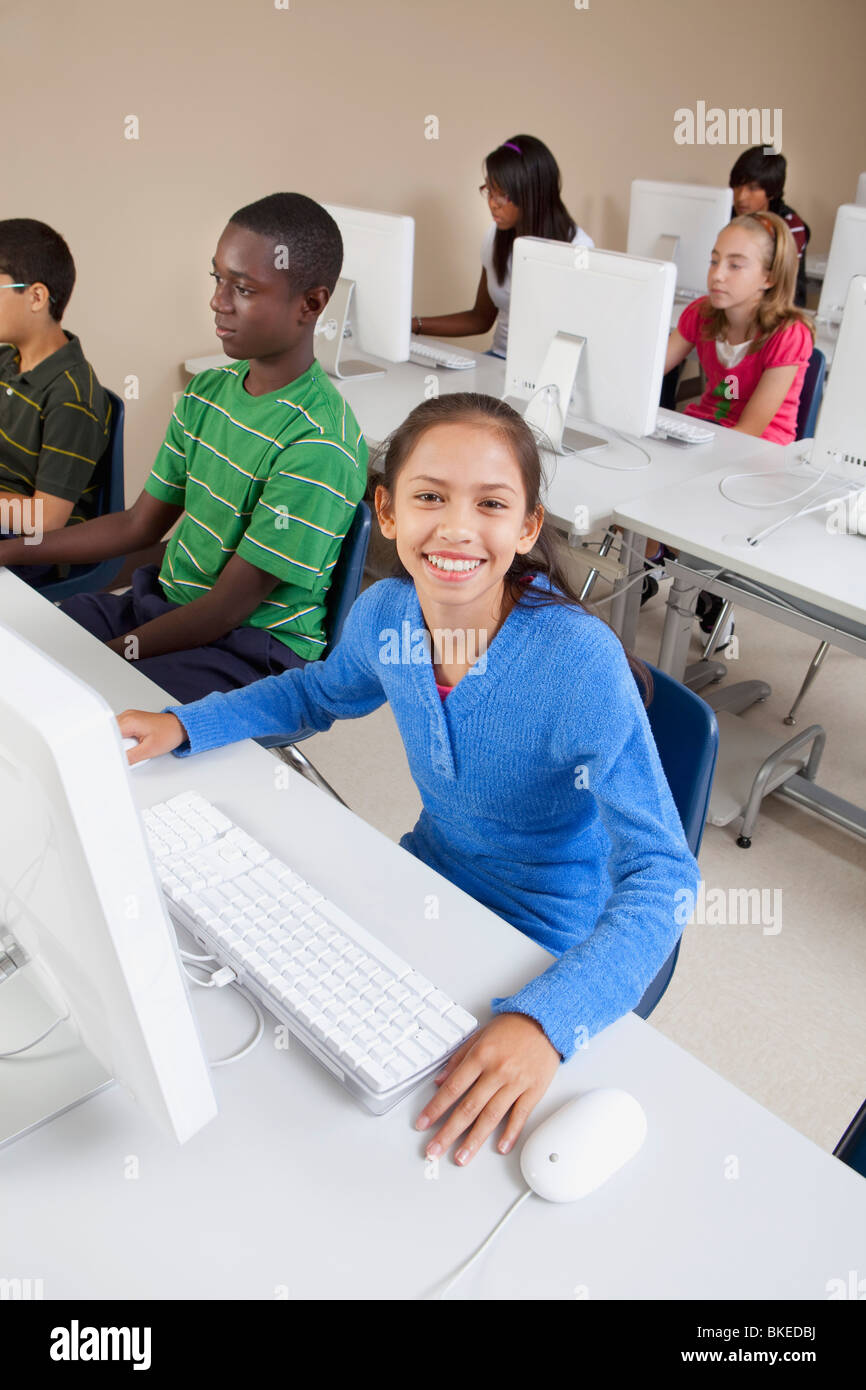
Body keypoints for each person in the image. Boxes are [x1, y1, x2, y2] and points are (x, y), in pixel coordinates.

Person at [115, 392, 700, 1167]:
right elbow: (313, 693)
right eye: (430, 497)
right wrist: (189, 724)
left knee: (422, 1140)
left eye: (490, 504)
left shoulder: (577, 664)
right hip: (423, 880)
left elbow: (664, 877)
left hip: (544, 938)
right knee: (289, 1057)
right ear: (387, 512)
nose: (457, 528)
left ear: (527, 528)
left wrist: (549, 1023)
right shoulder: (387, 613)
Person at [0, 194, 368, 702]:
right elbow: (138, 525)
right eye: (218, 279)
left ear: (311, 304)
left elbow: (224, 611)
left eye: (243, 288)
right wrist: (12, 550)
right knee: (18, 653)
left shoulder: (318, 444)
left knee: (79, 701)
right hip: (168, 604)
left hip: (252, 649)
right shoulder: (207, 393)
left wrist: (109, 656)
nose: (218, 301)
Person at [0, 218, 111, 586]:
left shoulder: (71, 396)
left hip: (31, 549)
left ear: (36, 297)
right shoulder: (6, 360)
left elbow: (45, 520)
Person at [411, 135, 593, 358]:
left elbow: (578, 342)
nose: (492, 203)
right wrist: (412, 325)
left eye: (502, 195)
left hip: (544, 373)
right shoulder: (496, 237)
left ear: (532, 193)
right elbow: (479, 319)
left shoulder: (578, 250)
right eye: (489, 191)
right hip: (499, 361)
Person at [664, 213, 814, 445]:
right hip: (705, 431)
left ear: (769, 278)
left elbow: (750, 430)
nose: (718, 275)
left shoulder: (788, 335)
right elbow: (649, 373)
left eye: (735, 265)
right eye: (714, 261)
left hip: (759, 452)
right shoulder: (700, 314)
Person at [729, 147, 810, 308]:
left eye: (752, 188)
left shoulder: (790, 226)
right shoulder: (727, 216)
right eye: (737, 186)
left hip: (773, 309)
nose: (741, 197)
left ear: (772, 192)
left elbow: (781, 287)